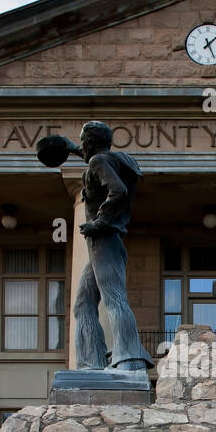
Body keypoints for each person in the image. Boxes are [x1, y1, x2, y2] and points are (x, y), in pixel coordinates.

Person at [71, 121, 153, 372]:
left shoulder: (97, 163)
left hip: (103, 239)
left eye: (82, 141)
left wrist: (100, 222)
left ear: (91, 143)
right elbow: (94, 157)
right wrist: (70, 149)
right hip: (106, 241)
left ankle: (129, 358)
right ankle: (91, 362)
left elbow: (117, 190)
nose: (81, 146)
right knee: (83, 302)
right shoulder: (111, 159)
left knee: (114, 298)